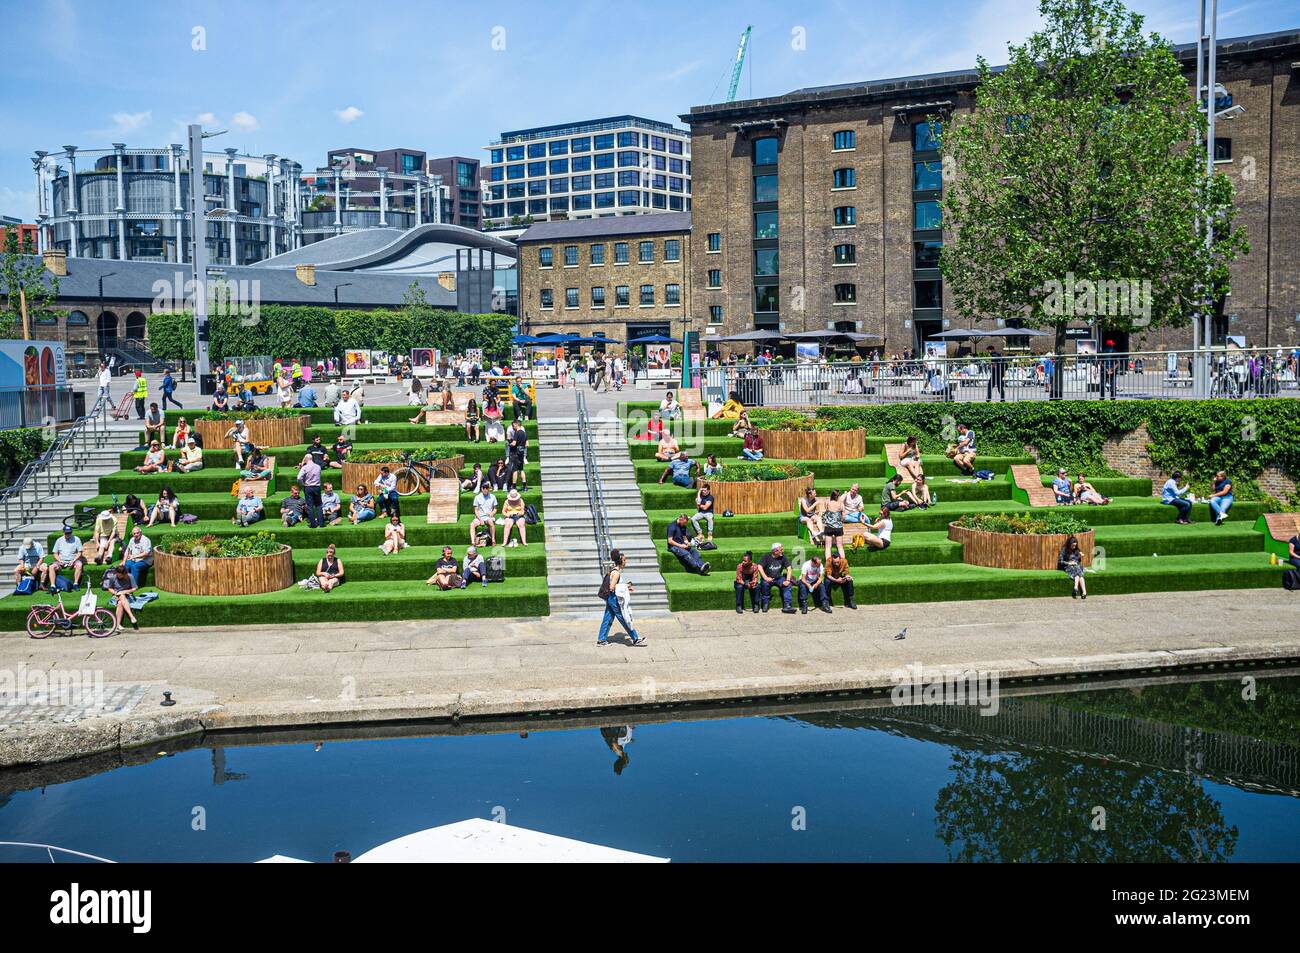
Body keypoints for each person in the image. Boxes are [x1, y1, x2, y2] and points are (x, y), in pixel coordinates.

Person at [596, 549, 644, 646]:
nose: (625, 562)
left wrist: (626, 588)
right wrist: (625, 586)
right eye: (625, 560)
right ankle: (635, 638)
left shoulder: (613, 571)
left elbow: (614, 586)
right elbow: (612, 587)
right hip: (613, 598)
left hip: (611, 598)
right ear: (620, 561)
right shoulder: (616, 573)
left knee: (608, 618)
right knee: (623, 617)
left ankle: (601, 640)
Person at [757, 542, 795, 614]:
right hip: (768, 577)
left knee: (788, 585)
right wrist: (765, 577)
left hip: (778, 578)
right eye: (781, 550)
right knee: (765, 585)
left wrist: (787, 580)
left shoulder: (783, 556)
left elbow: (789, 568)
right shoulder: (766, 556)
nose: (782, 551)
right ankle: (765, 603)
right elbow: (759, 566)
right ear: (775, 551)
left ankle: (787, 605)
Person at [45, 527, 86, 591]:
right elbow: (55, 553)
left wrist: (74, 560)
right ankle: (53, 586)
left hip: (73, 559)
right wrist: (59, 561)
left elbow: (80, 552)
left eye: (69, 532)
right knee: (51, 567)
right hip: (61, 560)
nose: (68, 534)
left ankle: (75, 584)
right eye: (67, 533)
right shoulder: (59, 540)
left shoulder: (76, 539)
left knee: (79, 565)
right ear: (64, 532)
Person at [103, 565, 140, 630]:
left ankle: (118, 625)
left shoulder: (130, 576)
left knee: (120, 603)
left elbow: (135, 588)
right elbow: (109, 588)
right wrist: (115, 593)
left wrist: (126, 591)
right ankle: (131, 616)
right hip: (116, 596)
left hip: (128, 596)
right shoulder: (113, 578)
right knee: (121, 597)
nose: (118, 576)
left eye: (120, 575)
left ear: (124, 573)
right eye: (117, 574)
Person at [298, 454, 324, 528]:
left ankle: (313, 524)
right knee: (319, 505)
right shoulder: (318, 467)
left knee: (310, 506)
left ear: (306, 459)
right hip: (317, 487)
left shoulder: (305, 467)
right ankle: (321, 523)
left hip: (308, 487)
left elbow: (299, 477)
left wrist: (303, 484)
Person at [821, 489, 846, 563]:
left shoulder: (827, 502)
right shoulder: (841, 504)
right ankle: (843, 564)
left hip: (829, 527)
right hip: (838, 527)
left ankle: (828, 565)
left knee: (828, 547)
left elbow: (826, 512)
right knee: (840, 547)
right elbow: (843, 517)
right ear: (838, 496)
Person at [507, 418, 529, 490]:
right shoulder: (524, 433)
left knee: (515, 470)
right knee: (521, 469)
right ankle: (525, 486)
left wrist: (509, 443)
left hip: (516, 453)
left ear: (516, 424)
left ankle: (514, 486)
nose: (513, 427)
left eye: (513, 425)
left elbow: (514, 443)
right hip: (521, 453)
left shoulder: (517, 432)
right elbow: (527, 445)